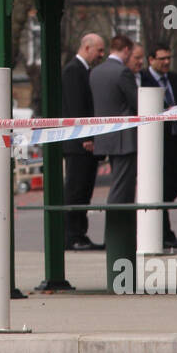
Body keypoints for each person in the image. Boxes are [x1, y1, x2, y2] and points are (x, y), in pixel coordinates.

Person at [90, 36, 139, 271]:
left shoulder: (95, 72)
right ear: (127, 50)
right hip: (124, 138)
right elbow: (139, 102)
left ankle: (114, 235)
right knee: (123, 188)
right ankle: (118, 238)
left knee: (115, 186)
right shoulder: (123, 74)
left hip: (104, 136)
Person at [140, 43, 177, 249]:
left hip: (174, 140)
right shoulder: (144, 79)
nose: (167, 62)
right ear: (151, 60)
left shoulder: (174, 79)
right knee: (157, 187)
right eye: (162, 58)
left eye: (169, 57)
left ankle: (157, 217)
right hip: (155, 142)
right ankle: (162, 230)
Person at [61, 33, 105, 250]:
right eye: (99, 50)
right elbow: (76, 107)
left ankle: (79, 233)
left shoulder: (83, 70)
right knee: (76, 190)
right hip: (78, 144)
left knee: (84, 190)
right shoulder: (73, 71)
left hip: (83, 142)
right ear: (87, 48)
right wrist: (86, 137)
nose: (102, 55)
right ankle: (72, 235)